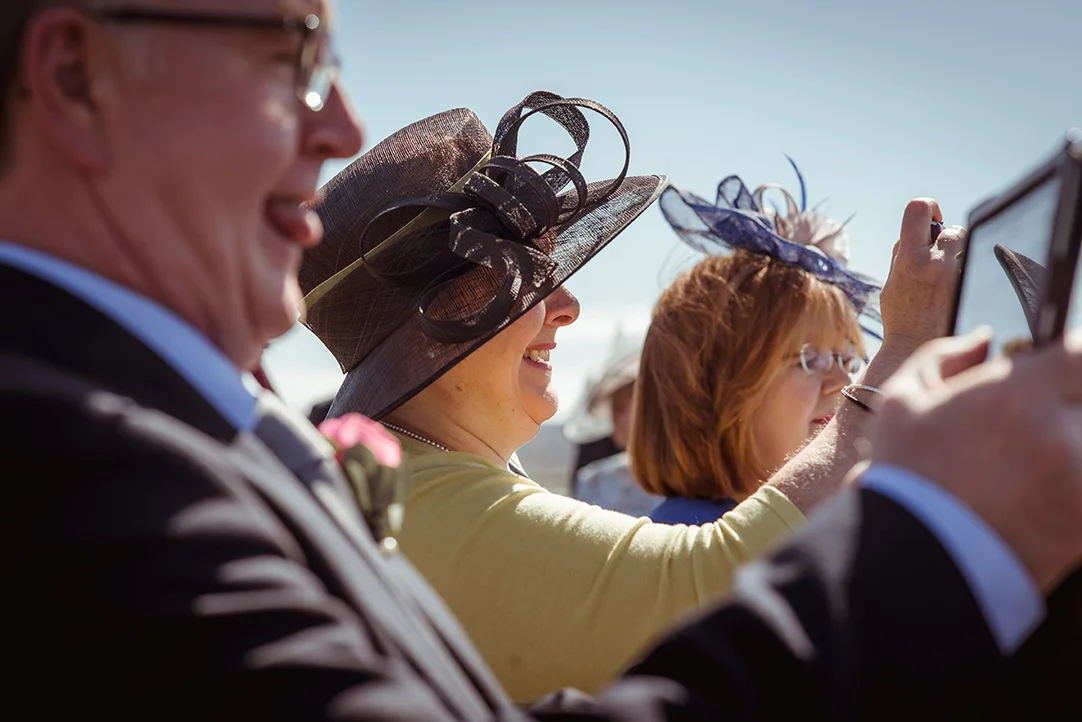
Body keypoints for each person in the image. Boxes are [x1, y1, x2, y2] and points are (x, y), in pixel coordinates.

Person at [4, 3, 1080, 720]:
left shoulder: (230, 446)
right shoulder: (72, 467)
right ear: (73, 78)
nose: (339, 119)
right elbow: (693, 594)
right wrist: (942, 514)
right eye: (294, 54)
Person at [301, 91, 963, 700]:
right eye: (528, 273)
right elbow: (710, 594)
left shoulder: (420, 475)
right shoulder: (424, 499)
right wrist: (904, 349)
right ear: (440, 319)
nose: (568, 305)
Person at [632, 171, 875, 525]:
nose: (843, 382)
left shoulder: (809, 528)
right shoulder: (691, 543)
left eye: (847, 359)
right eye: (809, 358)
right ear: (710, 385)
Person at [568, 337, 662, 516]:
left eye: (630, 408)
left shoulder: (684, 480)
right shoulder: (594, 480)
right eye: (617, 409)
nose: (620, 420)